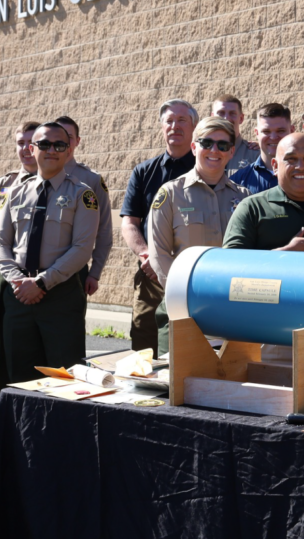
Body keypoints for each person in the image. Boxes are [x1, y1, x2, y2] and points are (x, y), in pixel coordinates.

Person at [0, 123, 99, 384]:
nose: (52, 150)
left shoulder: (82, 194)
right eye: (44, 144)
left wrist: (41, 282)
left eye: (59, 145)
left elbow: (81, 249)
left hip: (59, 297)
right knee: (17, 378)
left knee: (65, 377)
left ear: (68, 150)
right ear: (31, 149)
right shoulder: (15, 193)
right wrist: (18, 280)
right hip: (18, 296)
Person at [148, 117, 250, 355]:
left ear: (231, 151)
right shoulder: (171, 194)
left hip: (230, 310)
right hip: (182, 309)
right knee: (175, 383)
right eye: (207, 143)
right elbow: (159, 254)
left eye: (222, 145)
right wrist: (183, 295)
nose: (214, 150)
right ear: (194, 147)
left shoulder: (244, 198)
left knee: (227, 381)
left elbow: (250, 256)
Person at [120, 100, 197, 352]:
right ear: (162, 127)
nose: (175, 126)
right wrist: (148, 256)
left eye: (182, 120)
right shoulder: (144, 172)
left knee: (191, 345)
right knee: (144, 344)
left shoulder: (206, 169)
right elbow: (130, 223)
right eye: (169, 121)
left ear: (194, 126)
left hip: (192, 277)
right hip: (150, 276)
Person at [224, 133, 304, 252]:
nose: (300, 166)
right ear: (275, 166)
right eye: (291, 159)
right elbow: (230, 264)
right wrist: (286, 254)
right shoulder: (253, 208)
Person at [0, 121, 39, 401]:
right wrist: (13, 278)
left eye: (32, 142)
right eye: (20, 143)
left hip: (46, 282)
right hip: (8, 281)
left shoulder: (69, 185)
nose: (26, 149)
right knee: (6, 360)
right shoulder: (2, 186)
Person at [55, 115, 113, 298]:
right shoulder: (34, 178)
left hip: (74, 273)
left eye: (69, 137)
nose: (63, 141)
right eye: (58, 137)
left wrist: (95, 273)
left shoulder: (91, 180)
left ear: (77, 141)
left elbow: (103, 230)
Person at [230, 103, 293, 195]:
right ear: (257, 133)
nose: (273, 137)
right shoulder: (238, 181)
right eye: (266, 131)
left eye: (280, 131)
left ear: (292, 130)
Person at [211, 94, 259, 174]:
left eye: (232, 113)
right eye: (221, 113)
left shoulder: (255, 154)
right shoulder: (203, 152)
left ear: (241, 118)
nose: (226, 118)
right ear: (212, 117)